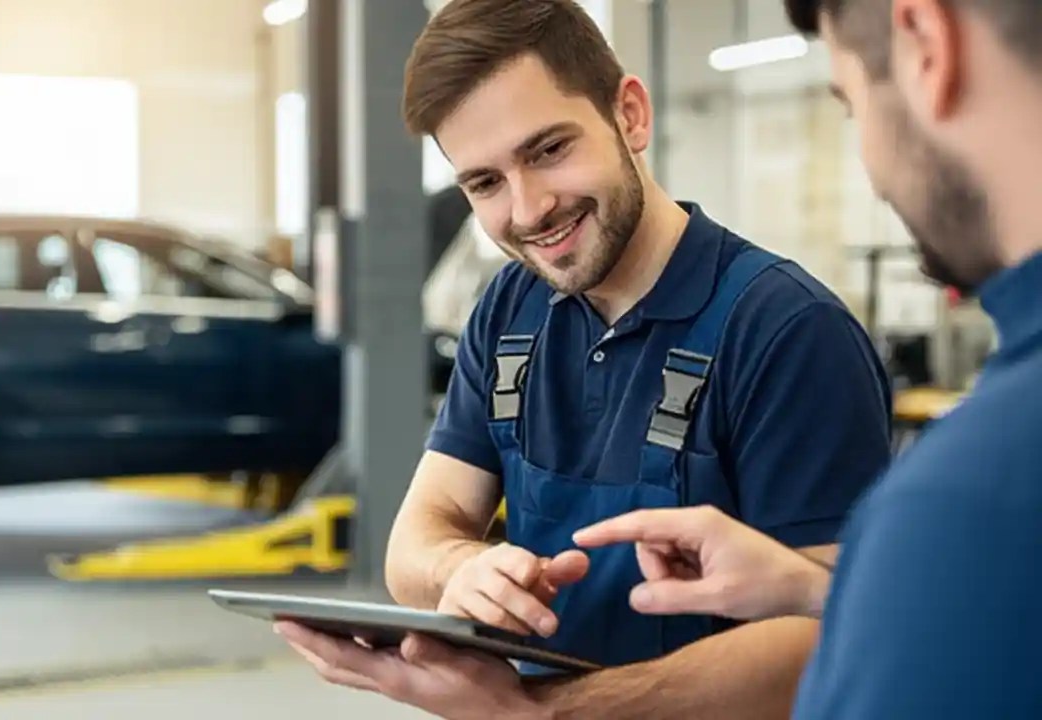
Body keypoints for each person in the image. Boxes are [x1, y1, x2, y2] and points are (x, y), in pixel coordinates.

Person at [276, 0, 893, 717]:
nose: (528, 209)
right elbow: (417, 538)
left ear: (630, 115)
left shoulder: (787, 332)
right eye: (485, 183)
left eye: (547, 151)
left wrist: (543, 711)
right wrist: (464, 567)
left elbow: (823, 641)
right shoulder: (508, 312)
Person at [571, 0, 1042, 717]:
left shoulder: (970, 503)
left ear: (926, 43)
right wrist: (820, 586)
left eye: (852, 107)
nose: (873, 172)